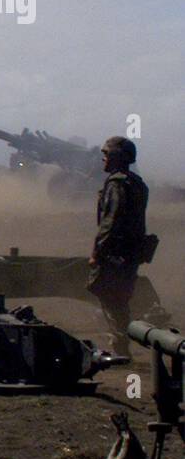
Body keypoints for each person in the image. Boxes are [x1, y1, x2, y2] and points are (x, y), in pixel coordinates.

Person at [88, 136, 149, 354]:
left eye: (106, 154)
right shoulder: (137, 183)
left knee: (110, 298)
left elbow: (110, 222)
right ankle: (122, 342)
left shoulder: (117, 184)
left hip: (115, 253)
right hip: (130, 253)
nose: (103, 158)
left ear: (117, 157)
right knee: (119, 299)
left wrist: (97, 252)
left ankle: (120, 345)